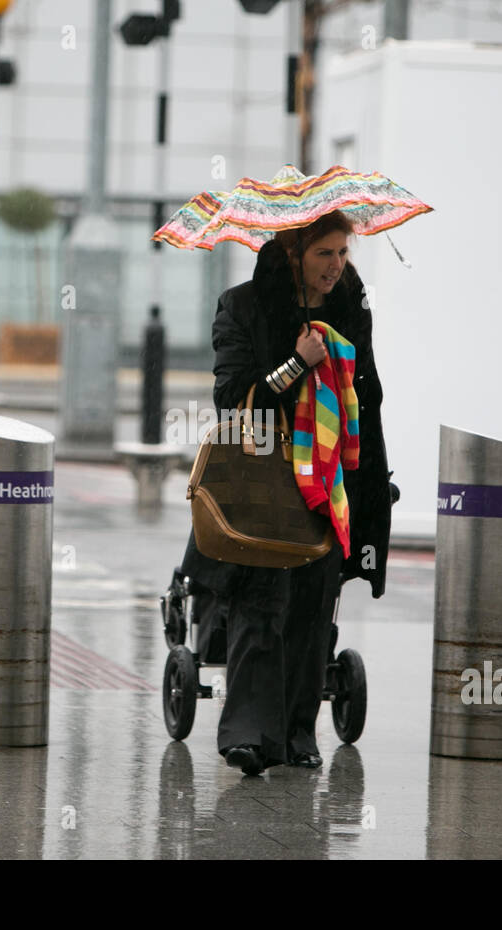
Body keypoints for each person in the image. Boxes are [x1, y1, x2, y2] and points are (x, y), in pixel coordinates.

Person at [179, 209, 394, 776]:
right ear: (294, 252)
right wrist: (298, 363)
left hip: (331, 479)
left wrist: (371, 479)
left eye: (343, 254)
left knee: (313, 604)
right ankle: (250, 733)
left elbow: (367, 396)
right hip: (263, 478)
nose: (337, 265)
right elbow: (233, 398)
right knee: (260, 599)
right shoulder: (242, 306)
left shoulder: (352, 305)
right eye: (325, 253)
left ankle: (299, 733)